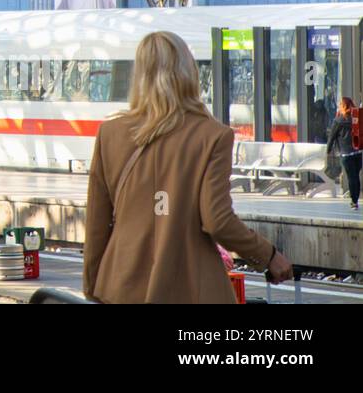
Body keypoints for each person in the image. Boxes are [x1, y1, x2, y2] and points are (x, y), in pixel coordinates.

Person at [83, 30, 295, 303]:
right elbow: (217, 220)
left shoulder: (110, 133)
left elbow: (97, 225)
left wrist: (91, 287)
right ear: (188, 73)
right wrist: (268, 255)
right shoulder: (212, 136)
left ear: (139, 77)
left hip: (119, 288)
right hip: (189, 289)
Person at [326, 96, 361, 210]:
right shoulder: (357, 118)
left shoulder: (339, 120)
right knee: (356, 176)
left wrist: (328, 150)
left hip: (346, 154)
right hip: (358, 151)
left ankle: (354, 201)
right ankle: (355, 199)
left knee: (351, 177)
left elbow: (332, 136)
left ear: (343, 106)